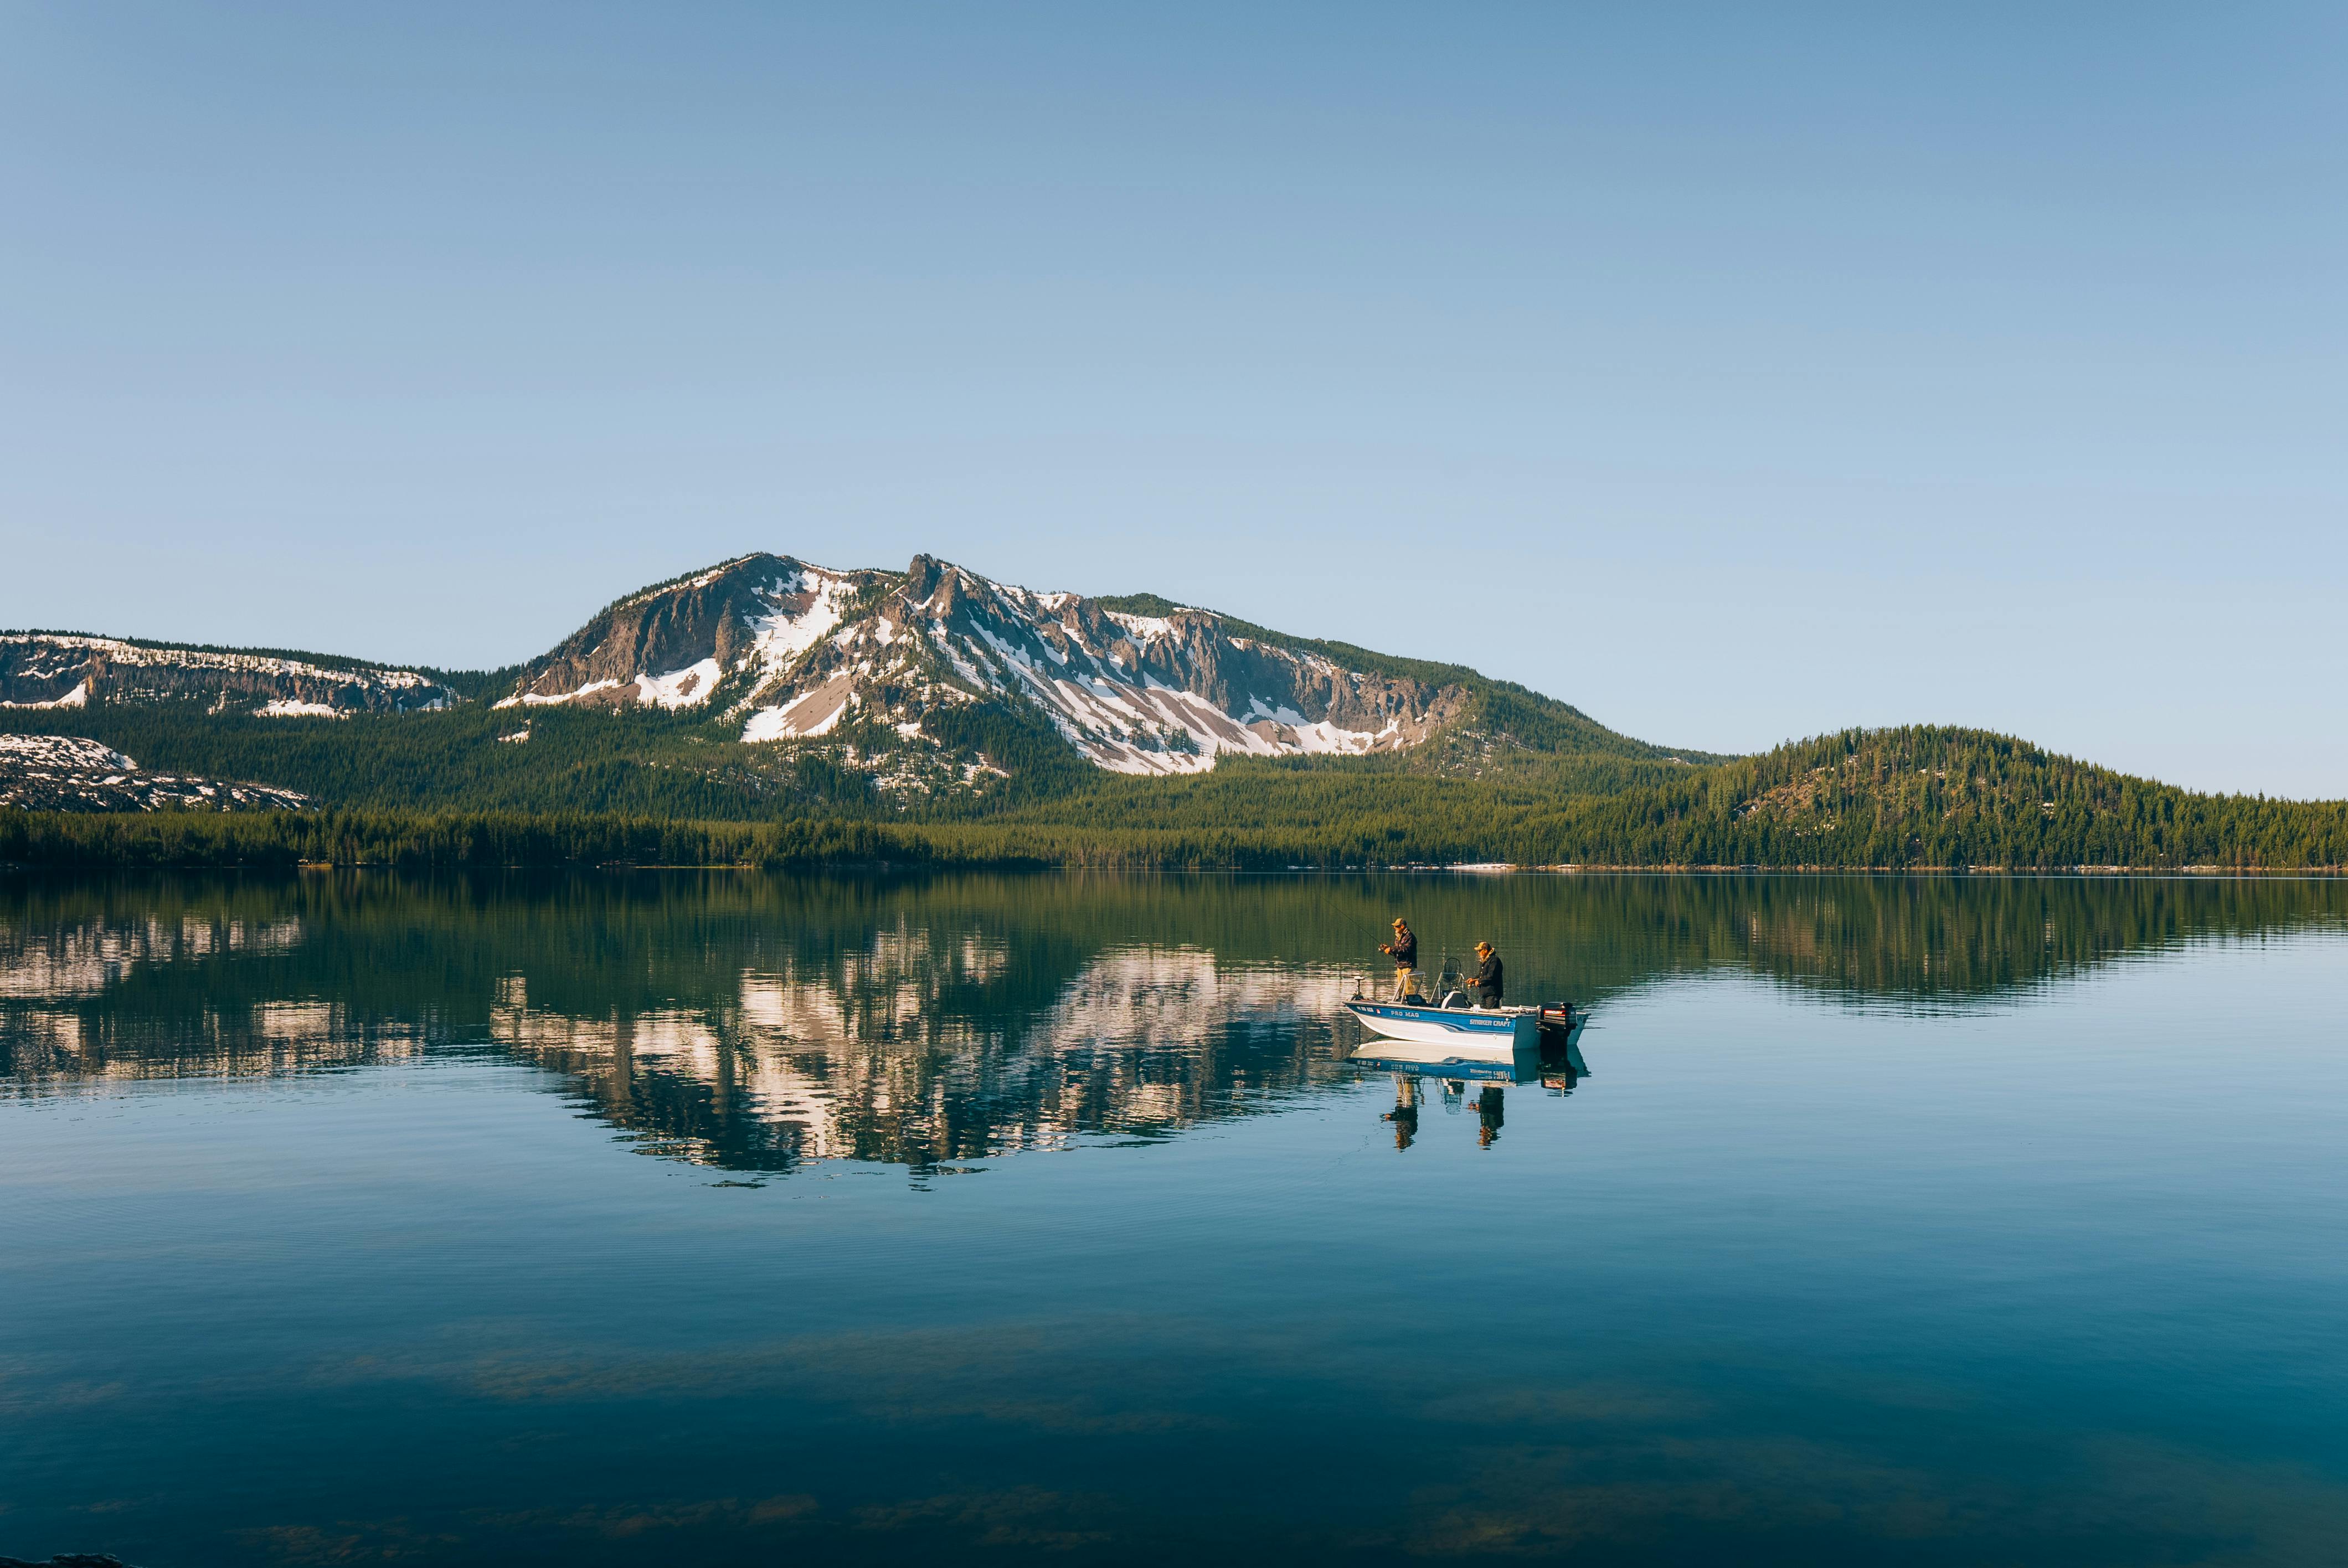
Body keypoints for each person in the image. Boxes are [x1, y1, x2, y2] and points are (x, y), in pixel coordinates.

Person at [1379, 918, 1420, 1001]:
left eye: (1397, 926)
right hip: (1400, 965)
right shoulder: (1398, 937)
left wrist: (1391, 949)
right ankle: (1401, 1000)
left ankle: (1412, 1002)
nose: (1395, 928)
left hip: (1408, 965)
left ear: (1402, 926)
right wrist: (1388, 950)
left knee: (1408, 986)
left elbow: (1405, 949)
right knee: (1401, 987)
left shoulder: (1410, 937)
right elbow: (1398, 951)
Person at [1466, 941, 1505, 1008]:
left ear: (1486, 950)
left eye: (1480, 951)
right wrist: (1473, 980)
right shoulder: (1485, 961)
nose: (1478, 953)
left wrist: (1480, 981)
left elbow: (1491, 976)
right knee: (1483, 1013)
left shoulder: (1494, 960)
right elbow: (1482, 975)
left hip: (1492, 994)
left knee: (1491, 1014)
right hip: (1485, 994)